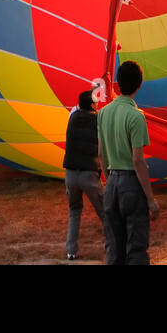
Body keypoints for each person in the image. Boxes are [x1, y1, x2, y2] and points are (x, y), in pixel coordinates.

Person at [97, 61, 160, 264]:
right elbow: (137, 160)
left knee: (114, 249)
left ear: (117, 83)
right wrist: (150, 199)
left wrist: (110, 180)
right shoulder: (136, 116)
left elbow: (100, 153)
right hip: (131, 185)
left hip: (111, 183)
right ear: (139, 85)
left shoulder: (103, 113)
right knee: (136, 248)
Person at [63, 89, 109, 260]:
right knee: (105, 213)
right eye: (95, 102)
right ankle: (111, 246)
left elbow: (76, 109)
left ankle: (71, 252)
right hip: (89, 174)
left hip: (70, 175)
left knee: (74, 211)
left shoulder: (72, 117)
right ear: (92, 105)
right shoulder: (97, 119)